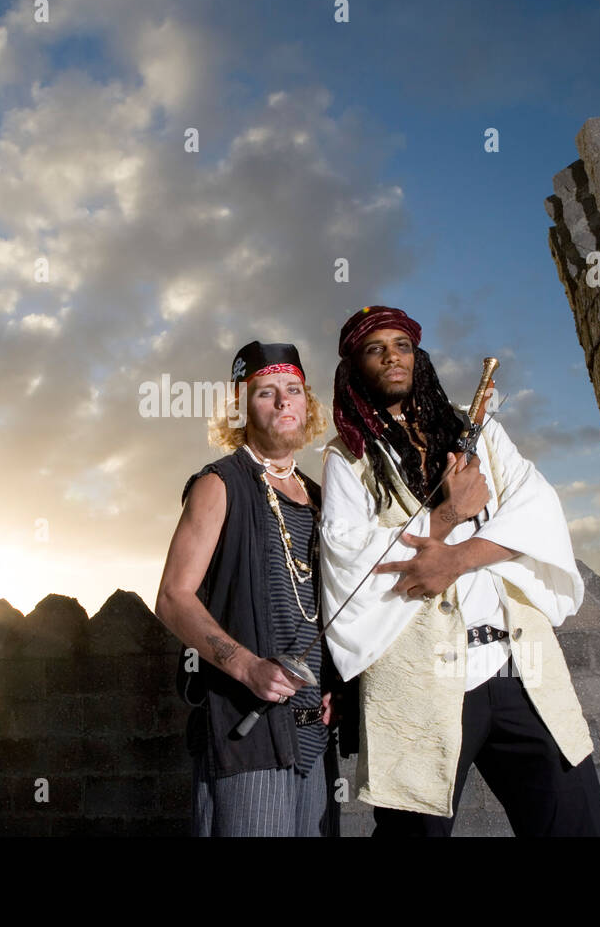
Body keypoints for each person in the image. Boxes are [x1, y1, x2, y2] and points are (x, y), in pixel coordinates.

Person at [318, 305, 600, 836]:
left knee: (576, 825)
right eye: (375, 348)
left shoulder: (469, 429)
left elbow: (536, 508)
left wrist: (455, 558)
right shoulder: (348, 457)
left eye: (402, 345)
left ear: (419, 355)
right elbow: (349, 556)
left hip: (517, 664)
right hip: (420, 678)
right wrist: (448, 514)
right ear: (353, 367)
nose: (392, 356)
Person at [155, 341, 341, 836]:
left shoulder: (322, 498)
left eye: (293, 389)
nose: (283, 402)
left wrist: (334, 685)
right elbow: (173, 597)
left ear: (308, 403)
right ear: (241, 408)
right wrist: (247, 666)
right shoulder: (219, 484)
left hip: (312, 735)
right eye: (265, 392)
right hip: (247, 729)